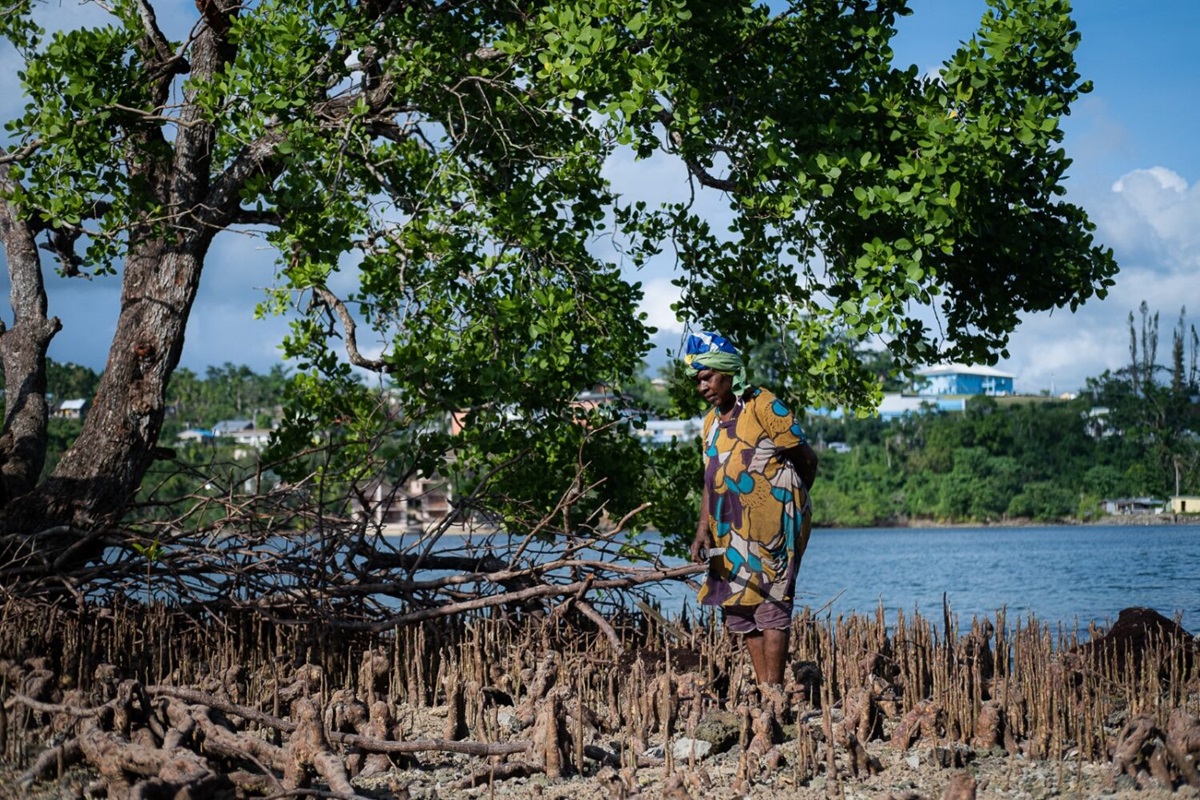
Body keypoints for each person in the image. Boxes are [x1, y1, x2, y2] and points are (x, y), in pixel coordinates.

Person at [684, 331, 818, 692]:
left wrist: (789, 500)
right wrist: (703, 528)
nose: (702, 386)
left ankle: (774, 693)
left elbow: (806, 458)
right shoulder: (710, 422)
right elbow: (710, 477)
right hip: (726, 527)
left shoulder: (763, 404)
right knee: (738, 605)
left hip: (772, 526)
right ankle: (765, 690)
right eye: (698, 380)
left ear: (727, 373)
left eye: (707, 377)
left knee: (772, 602)